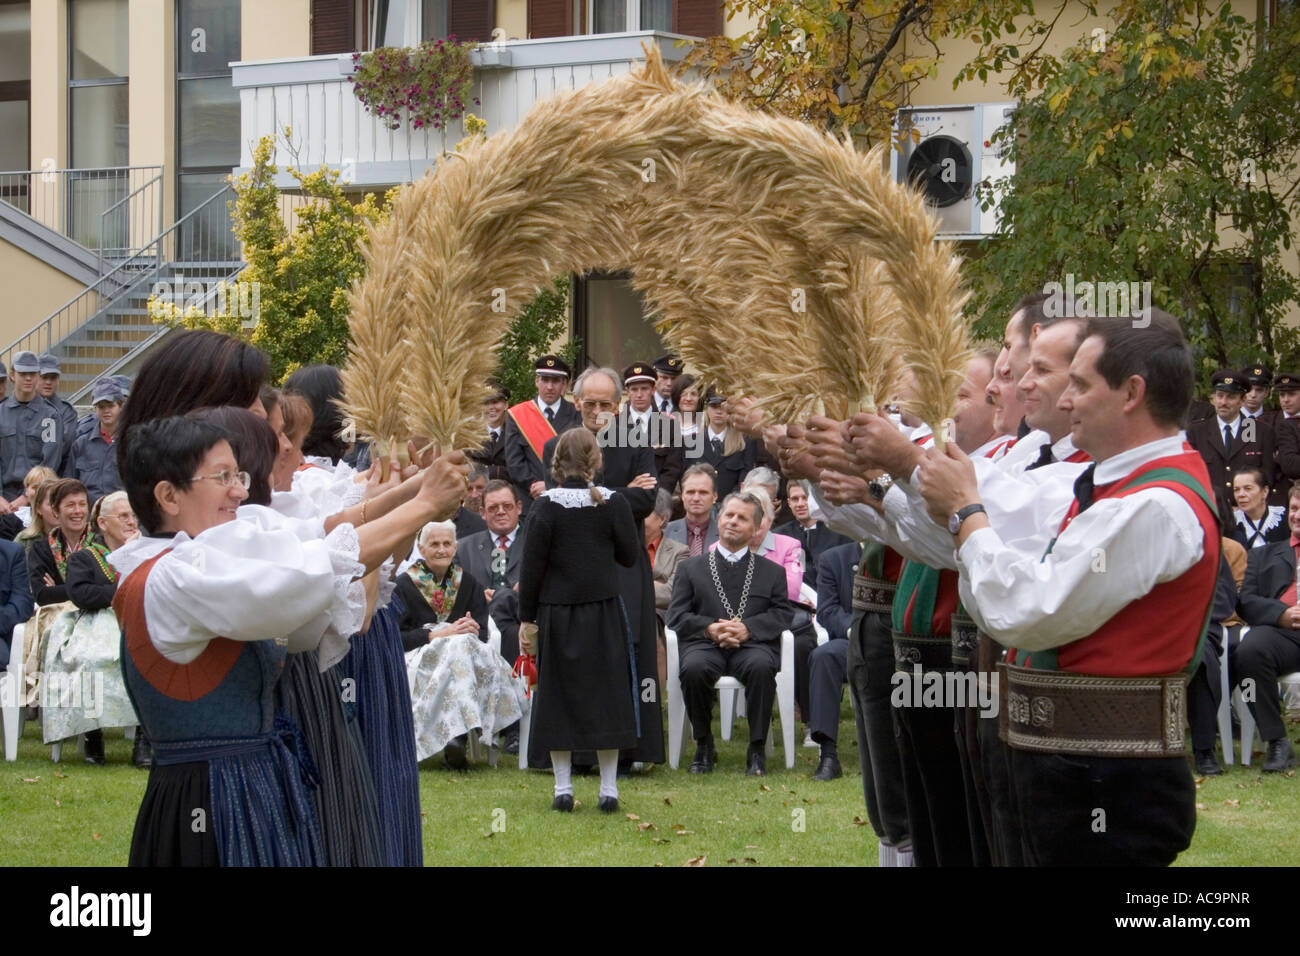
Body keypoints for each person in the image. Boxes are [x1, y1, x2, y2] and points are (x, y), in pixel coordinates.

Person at [917, 310, 1219, 866]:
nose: (1063, 401)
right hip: (1080, 770)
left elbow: (1032, 610)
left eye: (1079, 384)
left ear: (1132, 392)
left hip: (1105, 779)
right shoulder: (1124, 489)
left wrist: (966, 514)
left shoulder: (1153, 503)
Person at [112, 415, 468, 866]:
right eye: (223, 477)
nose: (240, 490)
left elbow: (311, 545)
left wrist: (417, 492)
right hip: (210, 797)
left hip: (249, 785)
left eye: (238, 475)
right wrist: (422, 504)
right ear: (168, 495)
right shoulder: (172, 576)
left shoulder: (205, 555)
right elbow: (307, 572)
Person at [519, 427, 641, 812]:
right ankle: (609, 790)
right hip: (603, 611)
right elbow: (629, 557)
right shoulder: (614, 502)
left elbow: (532, 569)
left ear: (556, 463)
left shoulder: (544, 505)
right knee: (607, 695)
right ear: (596, 460)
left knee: (557, 695)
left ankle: (563, 789)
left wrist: (526, 619)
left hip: (557, 613)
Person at [667, 490, 795, 776]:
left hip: (752, 646)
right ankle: (703, 744)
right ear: (719, 518)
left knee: (763, 667)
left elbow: (782, 614)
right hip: (704, 644)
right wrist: (711, 628)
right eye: (729, 515)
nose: (733, 522)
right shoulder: (690, 568)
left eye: (742, 518)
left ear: (755, 528)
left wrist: (748, 629)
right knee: (694, 669)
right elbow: (676, 616)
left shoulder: (772, 572)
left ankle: (757, 748)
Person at [397, 520, 526, 769]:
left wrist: (470, 628)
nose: (442, 549)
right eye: (434, 544)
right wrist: (437, 635)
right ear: (421, 549)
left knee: (461, 645)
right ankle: (458, 735)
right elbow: (396, 637)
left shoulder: (468, 583)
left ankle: (454, 736)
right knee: (457, 646)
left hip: (466, 656)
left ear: (455, 548)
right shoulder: (404, 584)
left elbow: (483, 631)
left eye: (447, 544)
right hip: (422, 656)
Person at [43, 491, 140, 765]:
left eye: (133, 516)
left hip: (136, 622)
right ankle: (92, 735)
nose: (131, 522)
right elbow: (82, 594)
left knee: (147, 660)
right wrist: (124, 589)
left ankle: (145, 740)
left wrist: (113, 587)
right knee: (90, 661)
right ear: (102, 523)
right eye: (123, 516)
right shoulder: (85, 558)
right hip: (95, 625)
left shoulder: (146, 553)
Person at [1233, 483, 1300, 772]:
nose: (1297, 515)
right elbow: (1245, 601)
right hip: (1281, 634)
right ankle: (1277, 742)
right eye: (1295, 508)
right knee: (1250, 650)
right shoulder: (1262, 555)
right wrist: (1282, 613)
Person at [1187, 368, 1276, 534]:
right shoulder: (1197, 432)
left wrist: (1245, 506)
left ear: (1242, 400)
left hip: (1249, 520)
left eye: (1231, 397)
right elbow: (1191, 477)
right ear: (1213, 398)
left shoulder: (1259, 431)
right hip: (1209, 517)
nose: (1223, 402)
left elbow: (1267, 477)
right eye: (1219, 396)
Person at [807, 541, 860, 781]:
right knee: (824, 656)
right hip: (851, 640)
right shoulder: (833, 558)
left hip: (896, 640)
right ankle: (828, 755)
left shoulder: (905, 554)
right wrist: (856, 630)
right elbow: (827, 610)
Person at [503, 355, 580, 509]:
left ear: (564, 384)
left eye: (555, 381)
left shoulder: (576, 413)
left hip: (567, 498)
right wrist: (533, 485)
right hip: (530, 498)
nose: (550, 387)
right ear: (536, 381)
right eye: (545, 380)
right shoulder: (518, 414)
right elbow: (514, 461)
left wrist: (551, 486)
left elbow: (580, 459)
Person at [0, 350, 67, 508]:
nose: (28, 378)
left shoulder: (50, 416)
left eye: (33, 373)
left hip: (36, 498)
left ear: (38, 376)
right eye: (23, 373)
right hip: (3, 496)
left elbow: (50, 462)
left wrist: (26, 497)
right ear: (12, 375)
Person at [775, 479, 853, 589]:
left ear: (815, 499)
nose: (800, 504)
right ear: (789, 503)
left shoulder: (839, 532)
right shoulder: (780, 536)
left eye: (805, 498)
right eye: (795, 499)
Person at [621, 361, 684, 493]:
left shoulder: (670, 426)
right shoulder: (614, 425)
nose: (639, 395)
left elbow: (672, 470)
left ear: (653, 390)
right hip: (623, 500)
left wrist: (654, 497)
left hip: (657, 501)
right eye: (634, 389)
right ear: (627, 392)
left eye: (644, 388)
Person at [646, 487, 687, 688]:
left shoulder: (680, 552)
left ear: (661, 519)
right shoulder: (622, 546)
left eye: (644, 513)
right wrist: (651, 585)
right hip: (623, 610)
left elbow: (674, 593)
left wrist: (636, 587)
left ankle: (654, 698)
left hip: (661, 615)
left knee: (647, 619)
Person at [28, 478, 91, 607]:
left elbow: (112, 589)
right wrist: (89, 587)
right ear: (56, 511)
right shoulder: (41, 549)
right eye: (70, 505)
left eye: (82, 504)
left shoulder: (101, 543)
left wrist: (59, 589)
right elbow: (42, 595)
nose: (78, 511)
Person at [69, 378, 126, 503]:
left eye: (110, 406)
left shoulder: (131, 444)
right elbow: (70, 486)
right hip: (88, 516)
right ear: (94, 408)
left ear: (121, 406)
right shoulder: (81, 444)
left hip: (122, 515)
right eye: (101, 406)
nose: (106, 411)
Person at [700, 388, 756, 497]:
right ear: (707, 409)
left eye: (723, 407)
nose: (719, 411)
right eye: (714, 407)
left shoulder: (745, 443)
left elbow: (744, 479)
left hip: (731, 505)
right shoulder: (693, 441)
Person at [665, 463, 719, 555]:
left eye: (703, 492)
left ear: (714, 496)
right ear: (682, 495)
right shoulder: (665, 533)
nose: (696, 498)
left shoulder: (725, 535)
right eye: (690, 492)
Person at [37, 353, 78, 469]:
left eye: (53, 378)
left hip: (54, 475)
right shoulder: (24, 407)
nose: (48, 382)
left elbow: (61, 447)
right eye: (44, 377)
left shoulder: (67, 412)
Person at [1230, 467, 1287, 549]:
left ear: (1265, 491)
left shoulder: (1283, 518)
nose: (1241, 494)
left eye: (1248, 488)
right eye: (1236, 490)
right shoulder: (1231, 523)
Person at [467, 381, 510, 482]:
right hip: (477, 492)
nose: (491, 408)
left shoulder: (516, 432)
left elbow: (518, 469)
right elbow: (466, 467)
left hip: (508, 491)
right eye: (486, 403)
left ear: (505, 405)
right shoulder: (470, 434)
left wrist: (486, 470)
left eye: (495, 402)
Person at [671, 373, 701, 437]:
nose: (688, 398)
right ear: (676, 396)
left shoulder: (705, 429)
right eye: (684, 394)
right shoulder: (664, 426)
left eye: (693, 394)